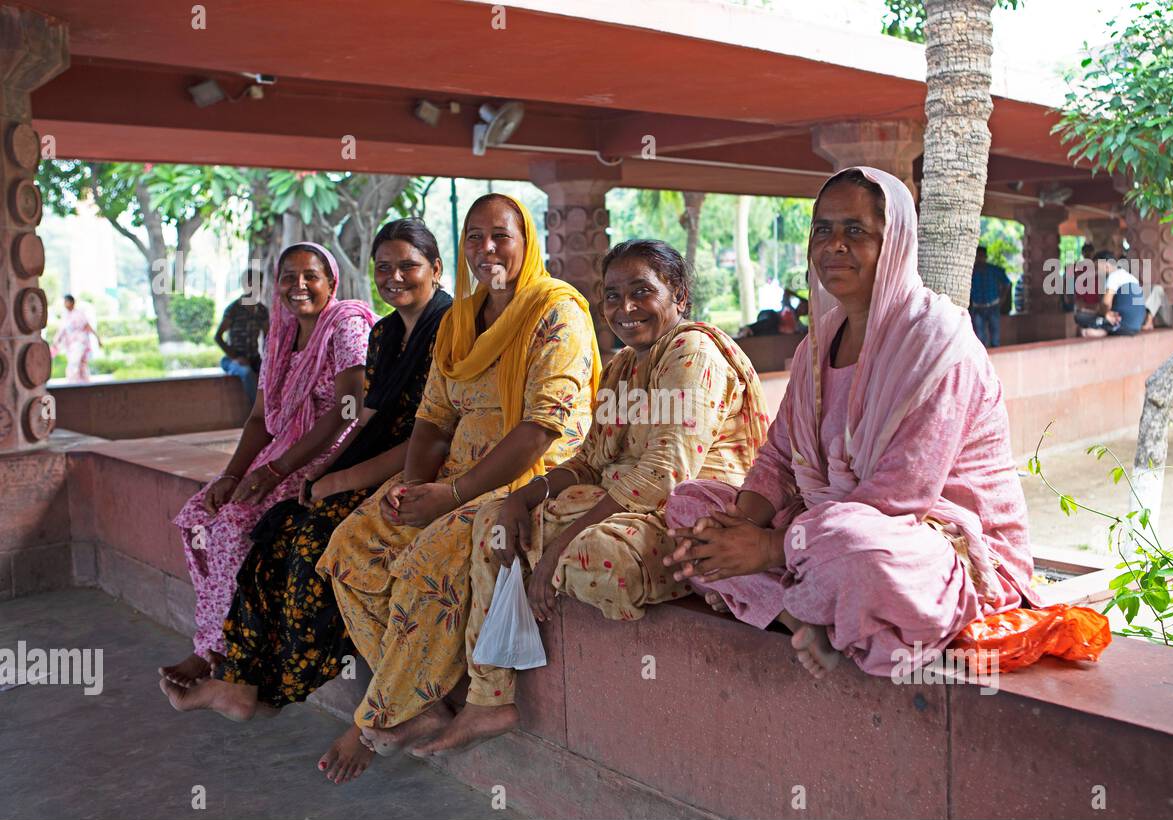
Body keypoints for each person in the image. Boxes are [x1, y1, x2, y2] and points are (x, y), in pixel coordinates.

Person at [663, 167, 1037, 681]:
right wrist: (741, 527)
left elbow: (898, 499)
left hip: (934, 547)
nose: (834, 246)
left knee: (855, 550)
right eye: (823, 230)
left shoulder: (939, 346)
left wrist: (770, 548)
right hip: (822, 529)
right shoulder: (816, 345)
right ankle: (805, 617)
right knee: (689, 507)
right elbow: (777, 457)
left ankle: (799, 602)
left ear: (896, 242)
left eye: (855, 231)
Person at [428, 239, 771, 753]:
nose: (625, 308)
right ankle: (489, 696)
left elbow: (665, 477)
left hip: (694, 518)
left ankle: (550, 582)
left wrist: (559, 546)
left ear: (677, 294)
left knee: (596, 559)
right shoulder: (623, 368)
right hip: (624, 505)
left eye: (641, 291)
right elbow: (590, 461)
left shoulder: (692, 351)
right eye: (612, 296)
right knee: (494, 520)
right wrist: (524, 497)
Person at [161, 221, 452, 784]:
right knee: (276, 530)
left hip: (421, 471)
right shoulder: (389, 333)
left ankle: (347, 709)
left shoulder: (443, 329)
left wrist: (326, 478)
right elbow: (367, 417)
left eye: (408, 266)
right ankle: (241, 678)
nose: (394, 277)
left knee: (314, 548)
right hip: (364, 463)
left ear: (436, 269)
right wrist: (298, 479)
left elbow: (424, 433)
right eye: (384, 267)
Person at [318, 193, 599, 760]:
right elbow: (433, 419)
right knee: (350, 547)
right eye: (475, 236)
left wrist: (450, 496)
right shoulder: (461, 321)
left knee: (426, 561)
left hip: (526, 479)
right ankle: (420, 704)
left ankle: (373, 720)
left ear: (527, 242)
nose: (487, 247)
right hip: (451, 478)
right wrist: (411, 488)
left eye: (501, 235)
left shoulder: (555, 312)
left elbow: (540, 431)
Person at [160, 242, 376, 693]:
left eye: (310, 276)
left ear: (331, 282)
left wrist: (276, 472)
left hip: (328, 452)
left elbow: (348, 408)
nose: (299, 286)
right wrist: (231, 475)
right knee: (201, 515)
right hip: (282, 451)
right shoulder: (277, 337)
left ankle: (222, 651)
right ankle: (220, 639)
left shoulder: (346, 326)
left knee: (236, 526)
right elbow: (261, 418)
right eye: (288, 277)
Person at [214, 270, 270, 402]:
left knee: (274, 373)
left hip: (255, 359)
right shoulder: (233, 309)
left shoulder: (262, 311)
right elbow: (218, 337)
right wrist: (236, 357)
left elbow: (269, 338)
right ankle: (257, 415)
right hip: (232, 360)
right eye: (253, 284)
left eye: (260, 284)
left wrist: (268, 361)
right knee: (246, 373)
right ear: (245, 285)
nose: (258, 288)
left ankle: (275, 414)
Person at [1079, 250, 1146, 337]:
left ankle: (1105, 329)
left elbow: (1106, 303)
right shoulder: (1130, 276)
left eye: (1096, 268)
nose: (1096, 272)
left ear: (1106, 265)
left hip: (1121, 323)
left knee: (1080, 316)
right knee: (1090, 314)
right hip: (1135, 326)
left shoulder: (1113, 276)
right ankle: (1106, 330)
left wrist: (1104, 314)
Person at [50, 294, 101, 383]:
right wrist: (56, 340)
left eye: (67, 302)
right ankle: (82, 383)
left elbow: (88, 326)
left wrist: (98, 338)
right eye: (64, 302)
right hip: (71, 344)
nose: (65, 304)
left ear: (72, 302)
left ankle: (73, 384)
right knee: (80, 364)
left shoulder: (79, 314)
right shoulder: (66, 315)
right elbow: (62, 329)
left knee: (74, 364)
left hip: (80, 343)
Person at [968, 245, 1010, 348]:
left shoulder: (994, 270)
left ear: (986, 257)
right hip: (977, 307)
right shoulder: (970, 272)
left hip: (993, 306)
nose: (980, 259)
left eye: (982, 256)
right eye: (978, 256)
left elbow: (1007, 284)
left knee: (995, 337)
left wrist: (1003, 298)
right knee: (980, 338)